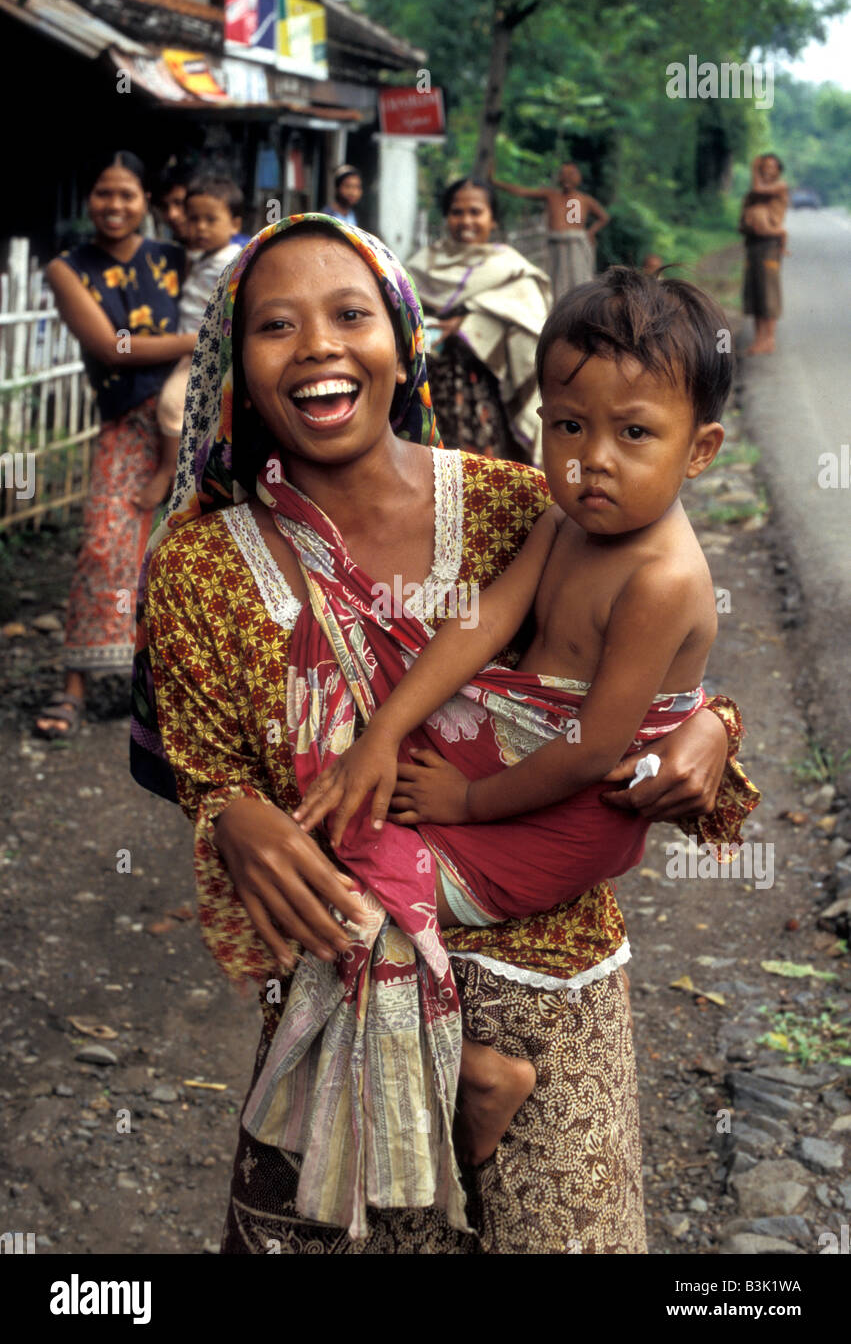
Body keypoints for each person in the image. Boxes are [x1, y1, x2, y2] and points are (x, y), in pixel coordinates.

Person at [131, 212, 756, 1254]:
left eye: (349, 314)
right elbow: (206, 771)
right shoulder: (197, 566)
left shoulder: (520, 501)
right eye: (276, 325)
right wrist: (230, 813)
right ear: (236, 362)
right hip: (348, 991)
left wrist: (717, 729)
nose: (320, 345)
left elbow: (644, 677)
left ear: (401, 338)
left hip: (549, 988)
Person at [294, 266, 754, 1171]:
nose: (593, 461)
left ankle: (478, 1076)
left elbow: (590, 752)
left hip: (568, 817)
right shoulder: (562, 519)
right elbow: (483, 624)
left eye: (634, 434)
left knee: (340, 885)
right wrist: (384, 731)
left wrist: (467, 803)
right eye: (569, 427)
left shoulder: (660, 579)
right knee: (335, 804)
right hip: (517, 768)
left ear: (699, 451)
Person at [35, 151, 196, 739]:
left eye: (127, 194)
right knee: (104, 544)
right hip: (126, 421)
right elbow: (112, 348)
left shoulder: (175, 258)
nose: (114, 205)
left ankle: (173, 688)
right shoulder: (67, 268)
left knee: (189, 551)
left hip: (191, 412)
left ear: (146, 203)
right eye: (104, 193)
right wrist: (203, 336)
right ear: (89, 200)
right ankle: (75, 685)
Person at [408, 177, 552, 463]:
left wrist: (470, 324)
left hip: (486, 391)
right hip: (427, 390)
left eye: (476, 212)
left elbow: (533, 326)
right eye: (457, 212)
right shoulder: (422, 264)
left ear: (493, 219)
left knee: (482, 473)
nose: (466, 221)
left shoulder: (511, 269)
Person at [138, 176, 244, 509]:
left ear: (235, 223)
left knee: (171, 403)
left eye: (210, 220)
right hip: (188, 349)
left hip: (206, 351)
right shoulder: (201, 258)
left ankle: (167, 472)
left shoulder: (233, 261)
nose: (199, 227)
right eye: (193, 218)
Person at [491, 162, 610, 298]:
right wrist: (496, 183)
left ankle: (581, 311)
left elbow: (603, 217)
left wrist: (590, 232)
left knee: (580, 280)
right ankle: (558, 312)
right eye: (563, 174)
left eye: (571, 174)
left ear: (578, 178)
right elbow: (523, 191)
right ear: (559, 178)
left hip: (576, 245)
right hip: (555, 245)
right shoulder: (551, 195)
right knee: (557, 283)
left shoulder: (584, 200)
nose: (567, 178)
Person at [740, 153, 788, 356]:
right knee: (755, 292)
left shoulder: (780, 186)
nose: (767, 170)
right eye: (764, 167)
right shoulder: (754, 194)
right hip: (754, 244)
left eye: (771, 167)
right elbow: (744, 217)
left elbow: (758, 189)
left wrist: (753, 168)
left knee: (768, 293)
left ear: (778, 170)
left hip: (769, 245)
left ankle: (769, 339)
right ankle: (759, 339)